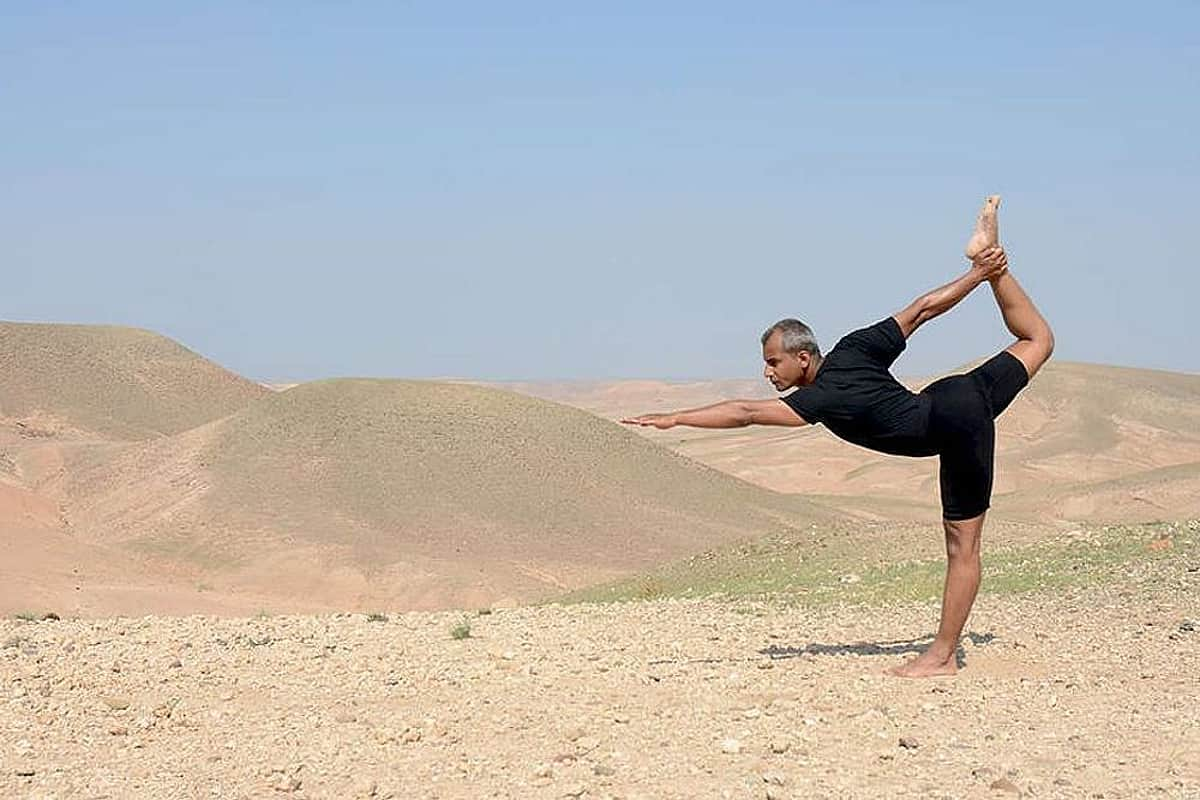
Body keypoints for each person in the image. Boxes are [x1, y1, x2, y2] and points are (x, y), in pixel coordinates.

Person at [622, 199, 1054, 678]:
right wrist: (977, 274)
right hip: (958, 392)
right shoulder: (853, 347)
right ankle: (995, 264)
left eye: (773, 362)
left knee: (962, 547)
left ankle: (943, 655)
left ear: (802, 358)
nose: (767, 372)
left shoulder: (819, 399)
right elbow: (923, 310)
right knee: (1037, 340)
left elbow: (744, 413)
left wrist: (676, 418)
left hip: (953, 426)